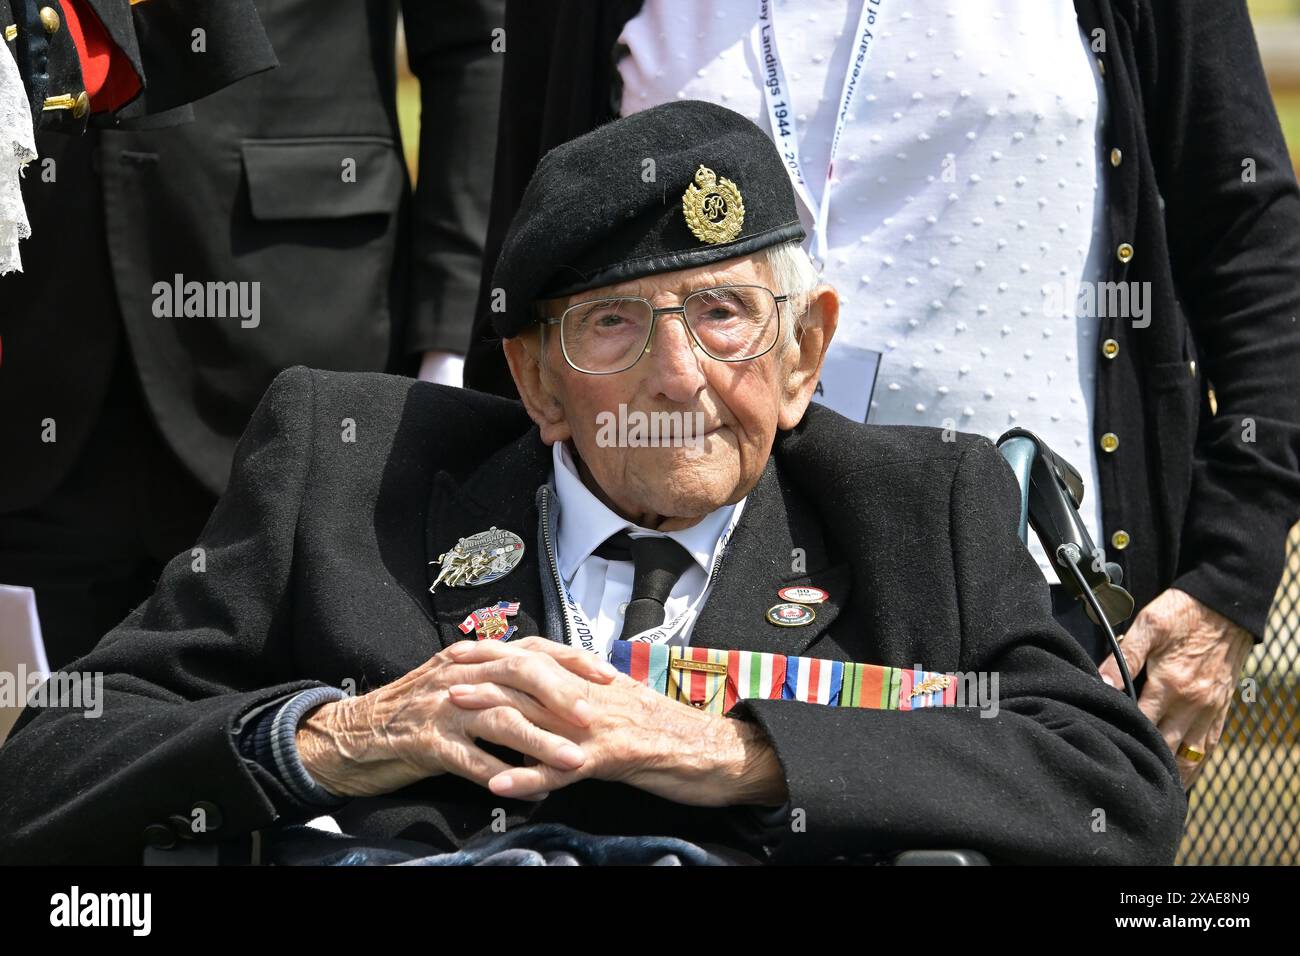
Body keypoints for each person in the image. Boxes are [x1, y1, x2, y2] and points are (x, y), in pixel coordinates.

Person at [0, 100, 1186, 866]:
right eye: (615, 324)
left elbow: (1114, 791)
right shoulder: (344, 462)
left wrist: (730, 750)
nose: (677, 374)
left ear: (803, 352)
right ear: (536, 380)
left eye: (724, 314)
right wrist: (340, 735)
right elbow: (45, 770)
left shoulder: (919, 505)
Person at [460, 0, 1300, 791]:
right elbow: (531, 283)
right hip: (685, 592)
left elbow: (1253, 244)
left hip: (1034, 589)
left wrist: (1229, 575)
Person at [0, 0, 505, 669]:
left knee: (305, 744)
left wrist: (450, 334)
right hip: (36, 348)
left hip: (308, 334)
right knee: (46, 750)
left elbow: (479, 44)